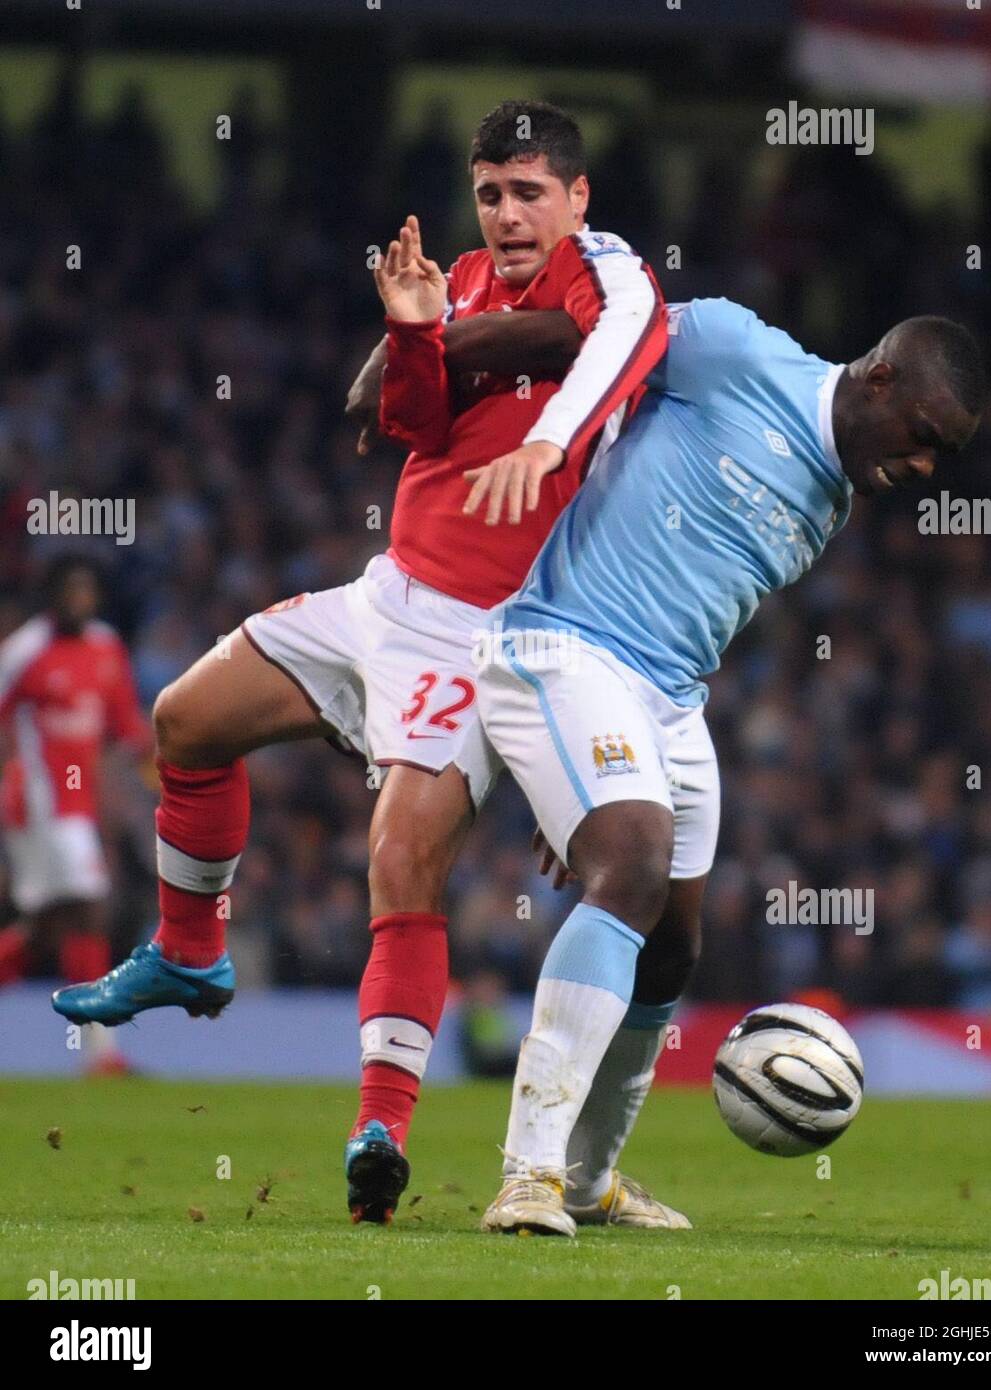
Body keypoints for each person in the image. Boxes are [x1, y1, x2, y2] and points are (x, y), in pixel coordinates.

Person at [52, 101, 669, 1225]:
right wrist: (419, 330)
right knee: (185, 720)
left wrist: (538, 435)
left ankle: (381, 1122)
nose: (509, 213)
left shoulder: (608, 281)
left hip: (483, 634)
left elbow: (618, 337)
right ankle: (191, 951)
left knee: (400, 859)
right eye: (491, 192)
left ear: (579, 198)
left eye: (532, 191)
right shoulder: (469, 279)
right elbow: (416, 425)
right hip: (385, 593)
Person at [470, 299, 984, 1234]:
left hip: (666, 696)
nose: (921, 470)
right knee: (631, 860)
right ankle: (528, 1176)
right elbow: (602, 332)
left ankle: (587, 1181)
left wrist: (577, 784)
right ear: (880, 377)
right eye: (921, 439)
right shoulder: (739, 350)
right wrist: (440, 357)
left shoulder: (835, 492)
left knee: (672, 941)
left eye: (941, 459)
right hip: (564, 645)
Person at [0, 556, 152, 1074]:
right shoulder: (25, 651)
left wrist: (160, 771)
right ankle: (100, 1053)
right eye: (70, 591)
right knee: (90, 906)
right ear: (51, 596)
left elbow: (126, 730)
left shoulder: (107, 648)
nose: (79, 600)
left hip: (79, 808)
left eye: (87, 591)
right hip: (39, 804)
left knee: (43, 929)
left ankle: (97, 1052)